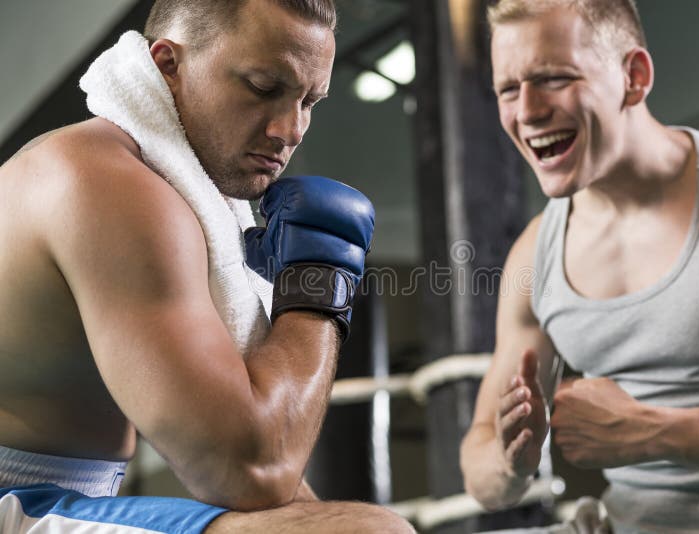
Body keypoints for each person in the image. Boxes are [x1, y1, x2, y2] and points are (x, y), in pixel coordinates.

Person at [0, 0, 412, 532]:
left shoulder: (178, 198)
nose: (290, 129)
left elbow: (271, 481)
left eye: (310, 100)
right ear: (169, 64)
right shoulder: (106, 185)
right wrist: (318, 284)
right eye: (264, 87)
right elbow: (250, 474)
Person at [460, 0, 699, 532]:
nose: (526, 111)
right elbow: (479, 462)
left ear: (633, 77)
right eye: (508, 89)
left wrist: (656, 431)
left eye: (553, 78)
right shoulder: (536, 252)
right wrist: (511, 458)